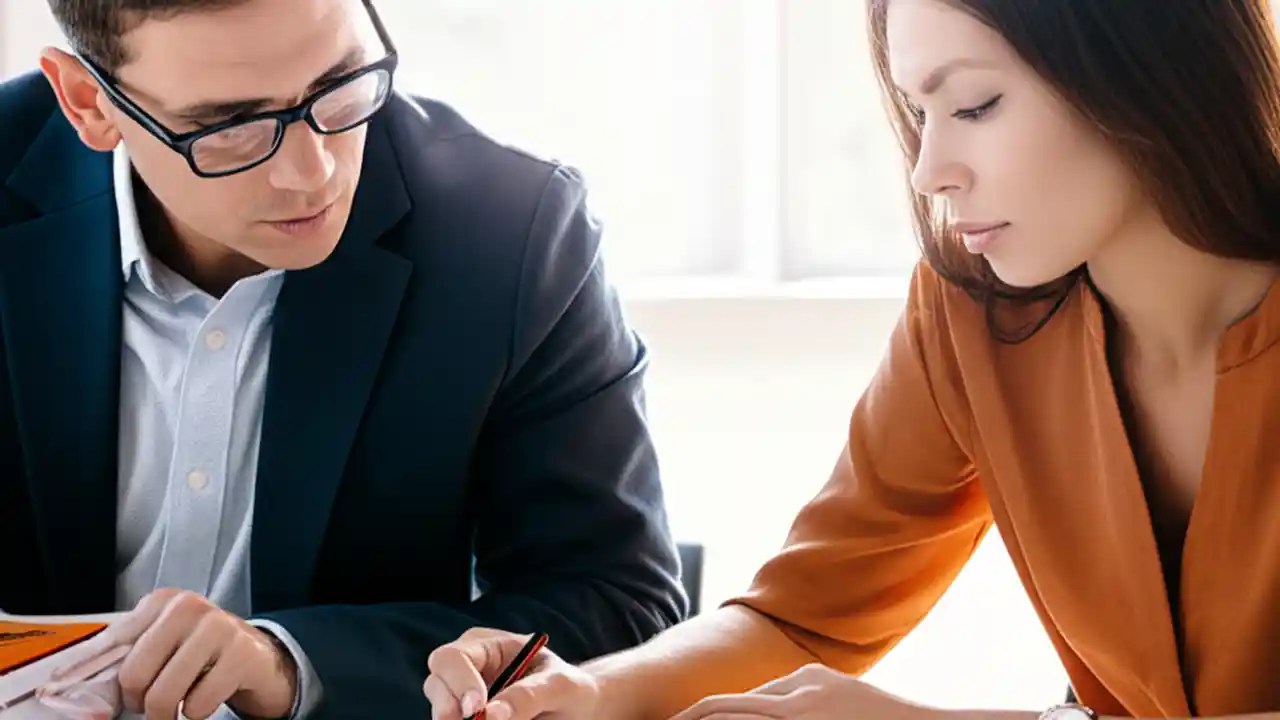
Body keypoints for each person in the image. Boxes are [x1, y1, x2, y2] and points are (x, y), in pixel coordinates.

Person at [423, 1, 1280, 719]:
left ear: (1148, 65)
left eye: (975, 106)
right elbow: (807, 618)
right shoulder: (972, 311)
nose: (929, 171)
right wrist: (590, 691)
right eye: (917, 113)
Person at [0, 0, 686, 717]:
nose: (313, 171)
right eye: (230, 127)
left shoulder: (512, 233)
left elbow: (617, 604)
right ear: (89, 103)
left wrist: (293, 664)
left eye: (340, 86)